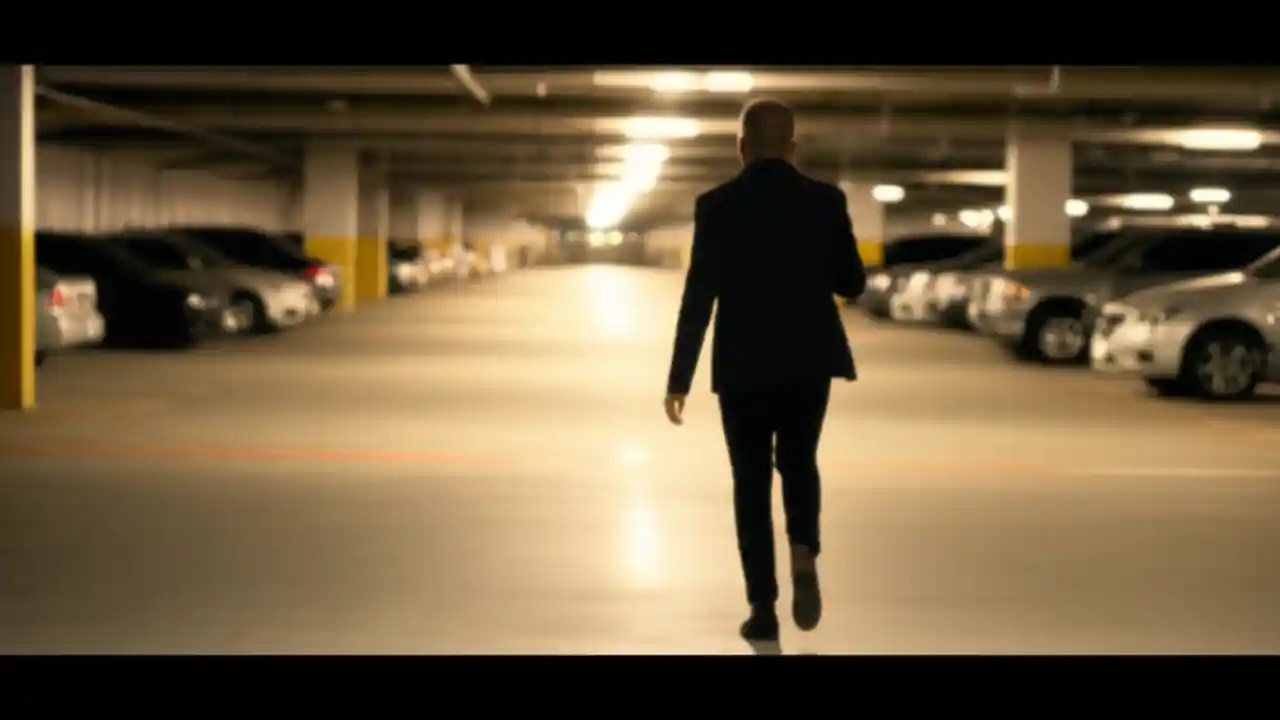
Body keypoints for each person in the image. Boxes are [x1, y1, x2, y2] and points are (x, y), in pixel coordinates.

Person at [663, 99, 867, 642]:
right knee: (799, 462)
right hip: (809, 360)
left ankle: (763, 607)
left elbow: (698, 295)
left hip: (743, 367)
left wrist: (678, 377)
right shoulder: (826, 202)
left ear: (741, 147)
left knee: (749, 481)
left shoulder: (716, 205)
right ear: (793, 147)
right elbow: (852, 283)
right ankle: (804, 549)